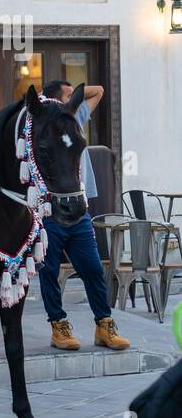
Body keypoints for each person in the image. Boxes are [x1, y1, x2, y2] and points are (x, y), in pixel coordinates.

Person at [39, 79, 129, 351]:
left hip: (79, 212)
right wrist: (50, 100)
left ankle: (104, 325)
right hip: (50, 211)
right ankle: (59, 327)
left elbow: (100, 91)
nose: (74, 100)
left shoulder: (76, 116)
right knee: (50, 272)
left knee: (92, 268)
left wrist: (72, 96)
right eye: (67, 97)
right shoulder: (44, 127)